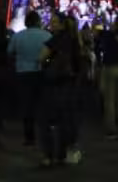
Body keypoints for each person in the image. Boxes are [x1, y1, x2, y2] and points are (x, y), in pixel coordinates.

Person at [39, 13, 83, 166]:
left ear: (62, 24)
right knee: (68, 118)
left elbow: (41, 57)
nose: (52, 24)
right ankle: (67, 152)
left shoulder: (55, 40)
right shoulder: (74, 40)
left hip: (55, 83)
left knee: (49, 119)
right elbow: (79, 62)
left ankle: (50, 155)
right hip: (70, 83)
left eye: (54, 22)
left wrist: (48, 61)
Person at [9, 10, 51, 146]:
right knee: (41, 104)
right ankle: (44, 133)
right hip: (39, 72)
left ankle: (29, 136)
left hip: (22, 72)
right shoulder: (46, 35)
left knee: (26, 105)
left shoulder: (18, 36)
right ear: (39, 21)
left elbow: (10, 52)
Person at [97, 15, 118, 139]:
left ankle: (111, 130)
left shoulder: (108, 35)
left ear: (116, 23)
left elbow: (99, 40)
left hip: (110, 67)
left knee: (110, 100)